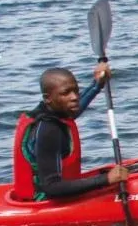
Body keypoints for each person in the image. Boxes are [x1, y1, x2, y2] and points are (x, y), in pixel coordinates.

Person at [10, 64, 126, 204]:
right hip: (42, 202)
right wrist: (106, 179)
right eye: (66, 93)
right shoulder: (49, 131)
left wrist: (97, 84)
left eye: (76, 91)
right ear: (48, 98)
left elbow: (74, 110)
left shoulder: (52, 112)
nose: (74, 97)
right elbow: (51, 188)